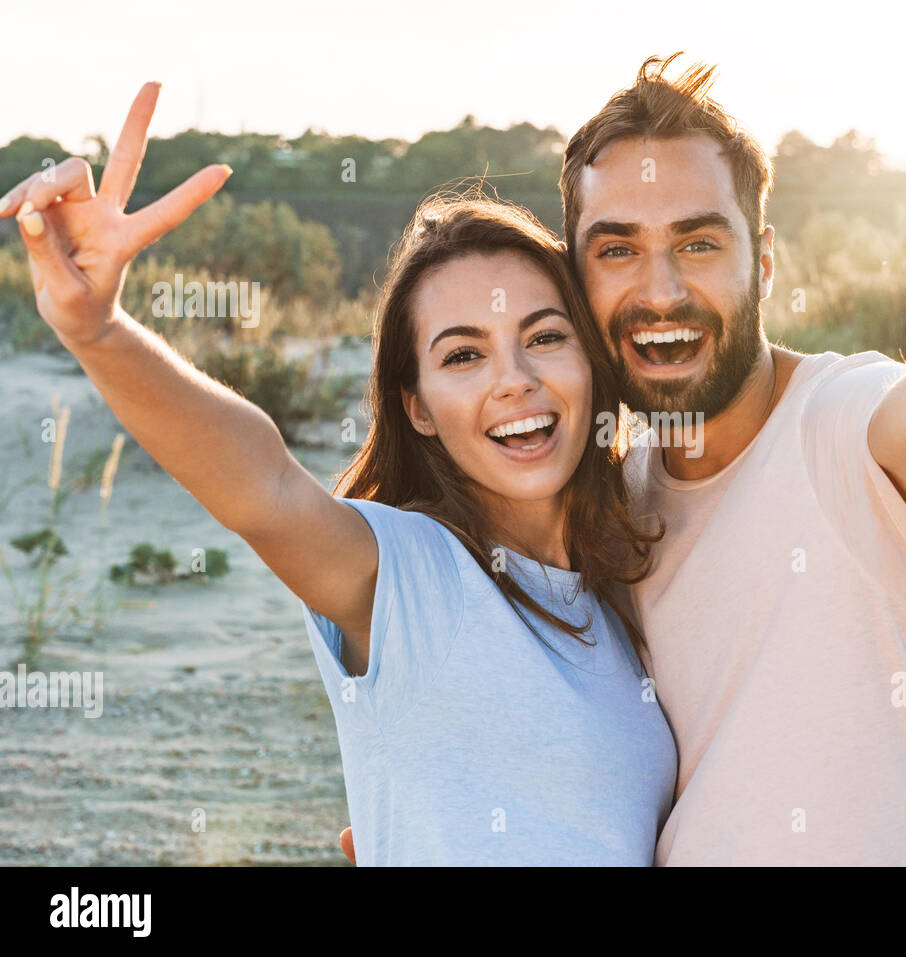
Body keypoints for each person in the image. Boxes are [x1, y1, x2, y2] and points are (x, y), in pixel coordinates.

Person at [0, 82, 677, 866]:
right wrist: (99, 330)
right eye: (463, 355)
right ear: (416, 407)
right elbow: (266, 487)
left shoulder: (624, 582)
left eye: (546, 336)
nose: (514, 379)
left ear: (589, 363)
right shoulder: (410, 575)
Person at [549, 53, 906, 865]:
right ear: (574, 279)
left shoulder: (840, 428)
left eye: (698, 242)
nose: (661, 290)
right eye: (617, 251)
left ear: (765, 259)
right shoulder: (609, 499)